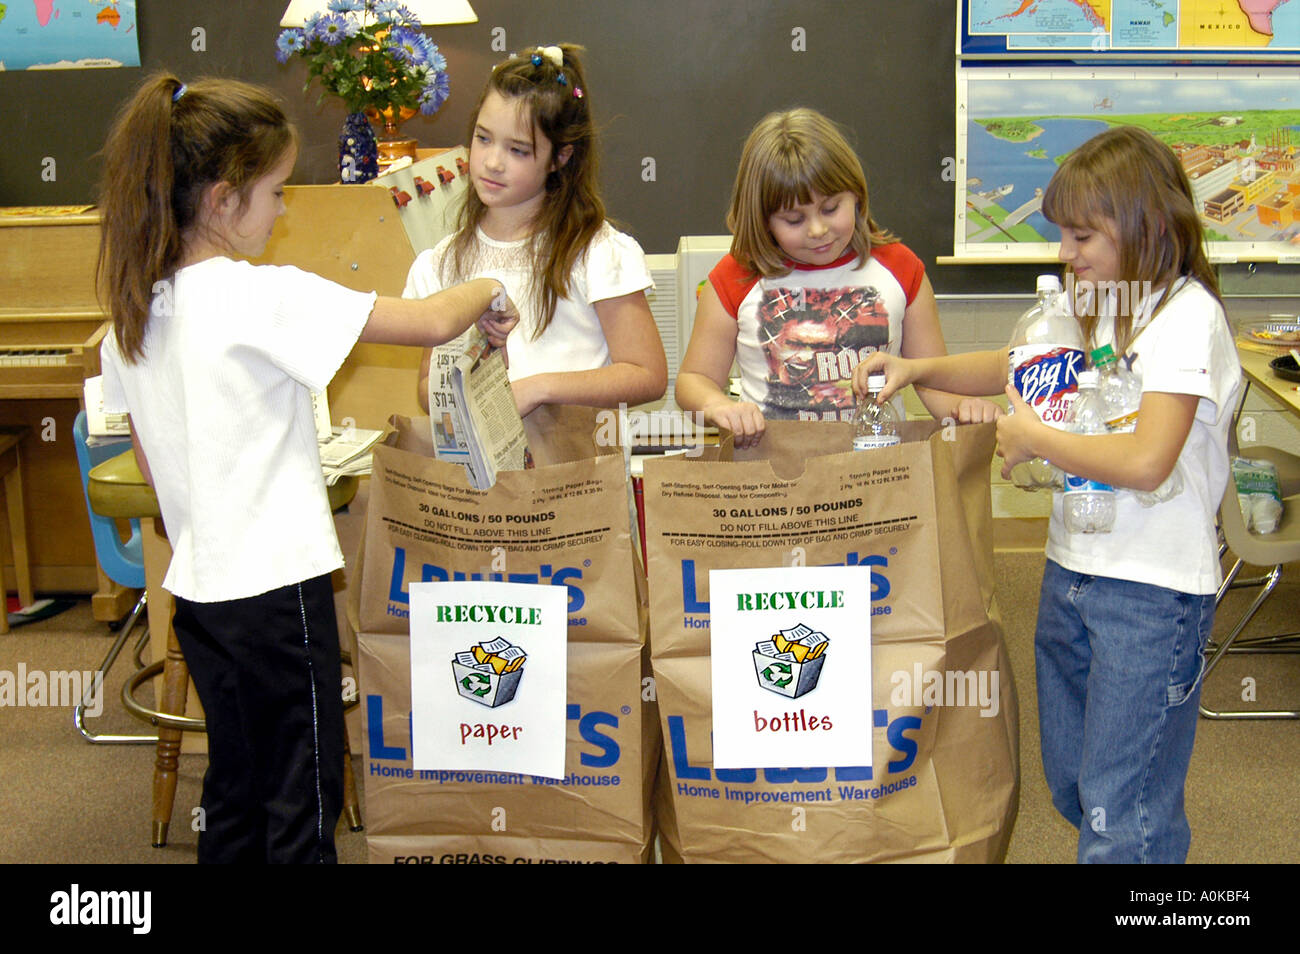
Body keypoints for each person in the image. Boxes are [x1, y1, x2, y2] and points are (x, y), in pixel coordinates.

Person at [96, 74, 517, 864]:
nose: (284, 211)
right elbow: (427, 320)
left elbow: (153, 460)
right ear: (223, 201)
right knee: (304, 787)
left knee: (237, 782)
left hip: (200, 590)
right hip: (277, 591)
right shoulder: (262, 294)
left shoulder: (135, 306)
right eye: (278, 192)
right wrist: (490, 283)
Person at [854, 125, 1241, 863]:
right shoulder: (1096, 301)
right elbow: (1016, 361)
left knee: (1120, 810)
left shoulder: (1187, 319)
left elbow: (1149, 459)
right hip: (1073, 575)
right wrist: (915, 367)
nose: (1066, 254)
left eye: (1083, 237)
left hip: (1152, 594)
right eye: (1062, 235)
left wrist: (1033, 439)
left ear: (1147, 226)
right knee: (1075, 784)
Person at [674, 107, 997, 448]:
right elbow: (694, 379)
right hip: (775, 483)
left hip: (879, 478)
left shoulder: (901, 267)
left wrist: (961, 408)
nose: (818, 230)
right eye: (793, 220)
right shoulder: (733, 278)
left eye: (831, 209)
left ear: (856, 195)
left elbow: (932, 379)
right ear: (762, 219)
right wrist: (718, 405)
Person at [409, 43, 666, 418]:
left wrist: (539, 389)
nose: (492, 162)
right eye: (483, 139)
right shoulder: (442, 263)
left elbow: (647, 375)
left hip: (578, 472)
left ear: (560, 157)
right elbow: (424, 387)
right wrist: (464, 384)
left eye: (517, 150)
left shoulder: (596, 253)